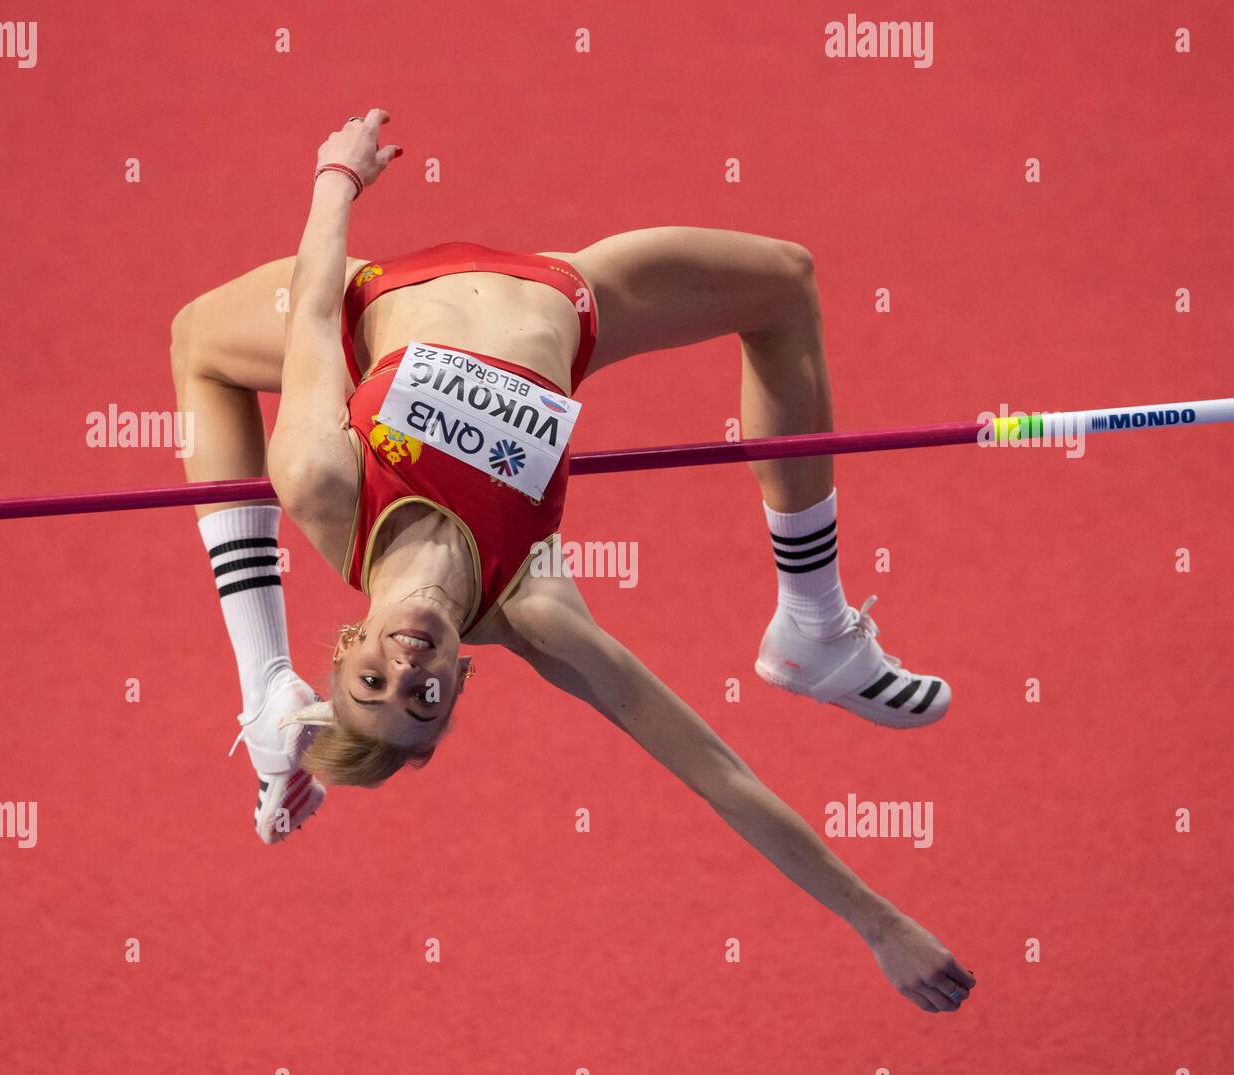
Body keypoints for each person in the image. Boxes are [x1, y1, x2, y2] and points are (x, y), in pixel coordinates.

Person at [170, 110, 970, 1013]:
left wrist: (337, 177)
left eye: (371, 683)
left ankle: (264, 682)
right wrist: (875, 920)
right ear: (461, 681)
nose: (406, 671)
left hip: (371, 299)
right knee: (785, 285)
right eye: (424, 700)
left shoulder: (323, 483)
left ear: (349, 641)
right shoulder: (535, 604)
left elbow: (313, 308)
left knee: (197, 342)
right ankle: (814, 631)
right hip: (571, 296)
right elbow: (718, 772)